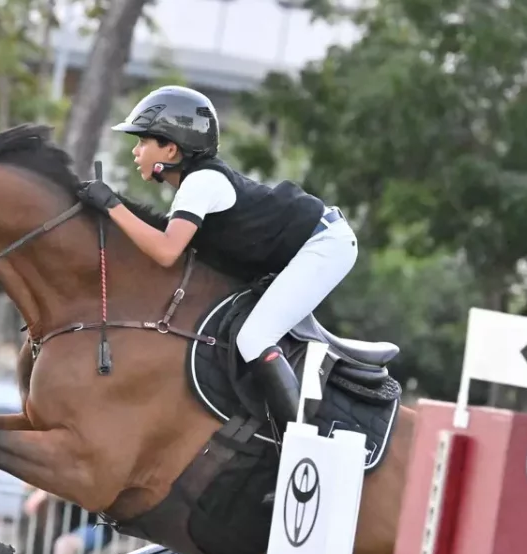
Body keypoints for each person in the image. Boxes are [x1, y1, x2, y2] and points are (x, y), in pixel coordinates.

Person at [75, 85, 359, 425]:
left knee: (254, 338)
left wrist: (112, 206)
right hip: (311, 243)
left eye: (143, 142)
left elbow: (166, 252)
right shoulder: (194, 185)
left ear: (170, 148)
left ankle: (300, 442)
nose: (136, 152)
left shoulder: (201, 183)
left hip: (325, 244)